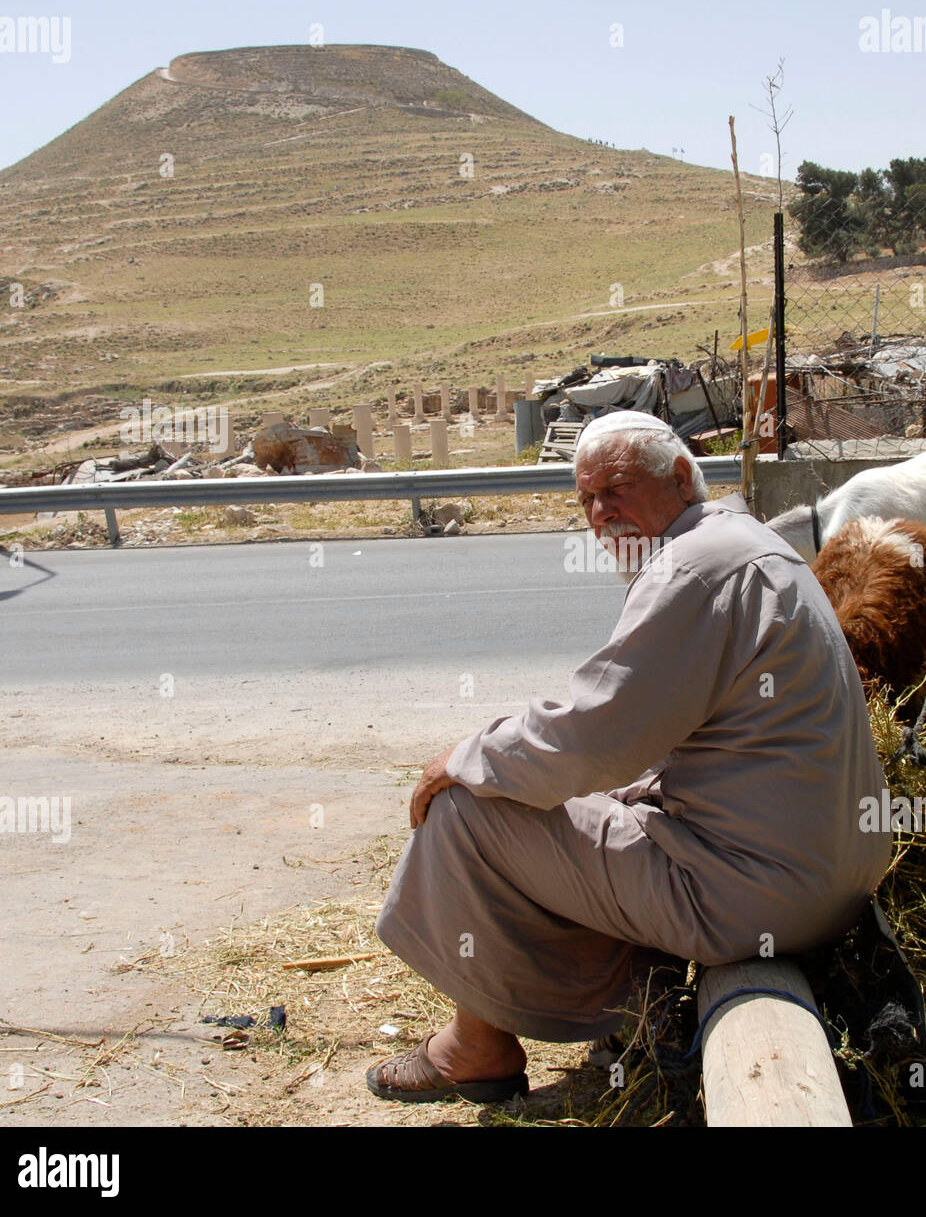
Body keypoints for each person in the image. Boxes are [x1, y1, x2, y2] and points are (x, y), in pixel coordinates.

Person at [368, 410, 890, 1102]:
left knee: (468, 808)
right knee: (565, 795)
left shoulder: (691, 569)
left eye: (615, 489)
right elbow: (644, 736)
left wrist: (463, 758)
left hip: (759, 893)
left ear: (681, 478)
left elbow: (593, 737)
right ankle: (628, 1004)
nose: (600, 513)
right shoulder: (743, 541)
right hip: (831, 877)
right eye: (585, 499)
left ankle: (476, 1046)